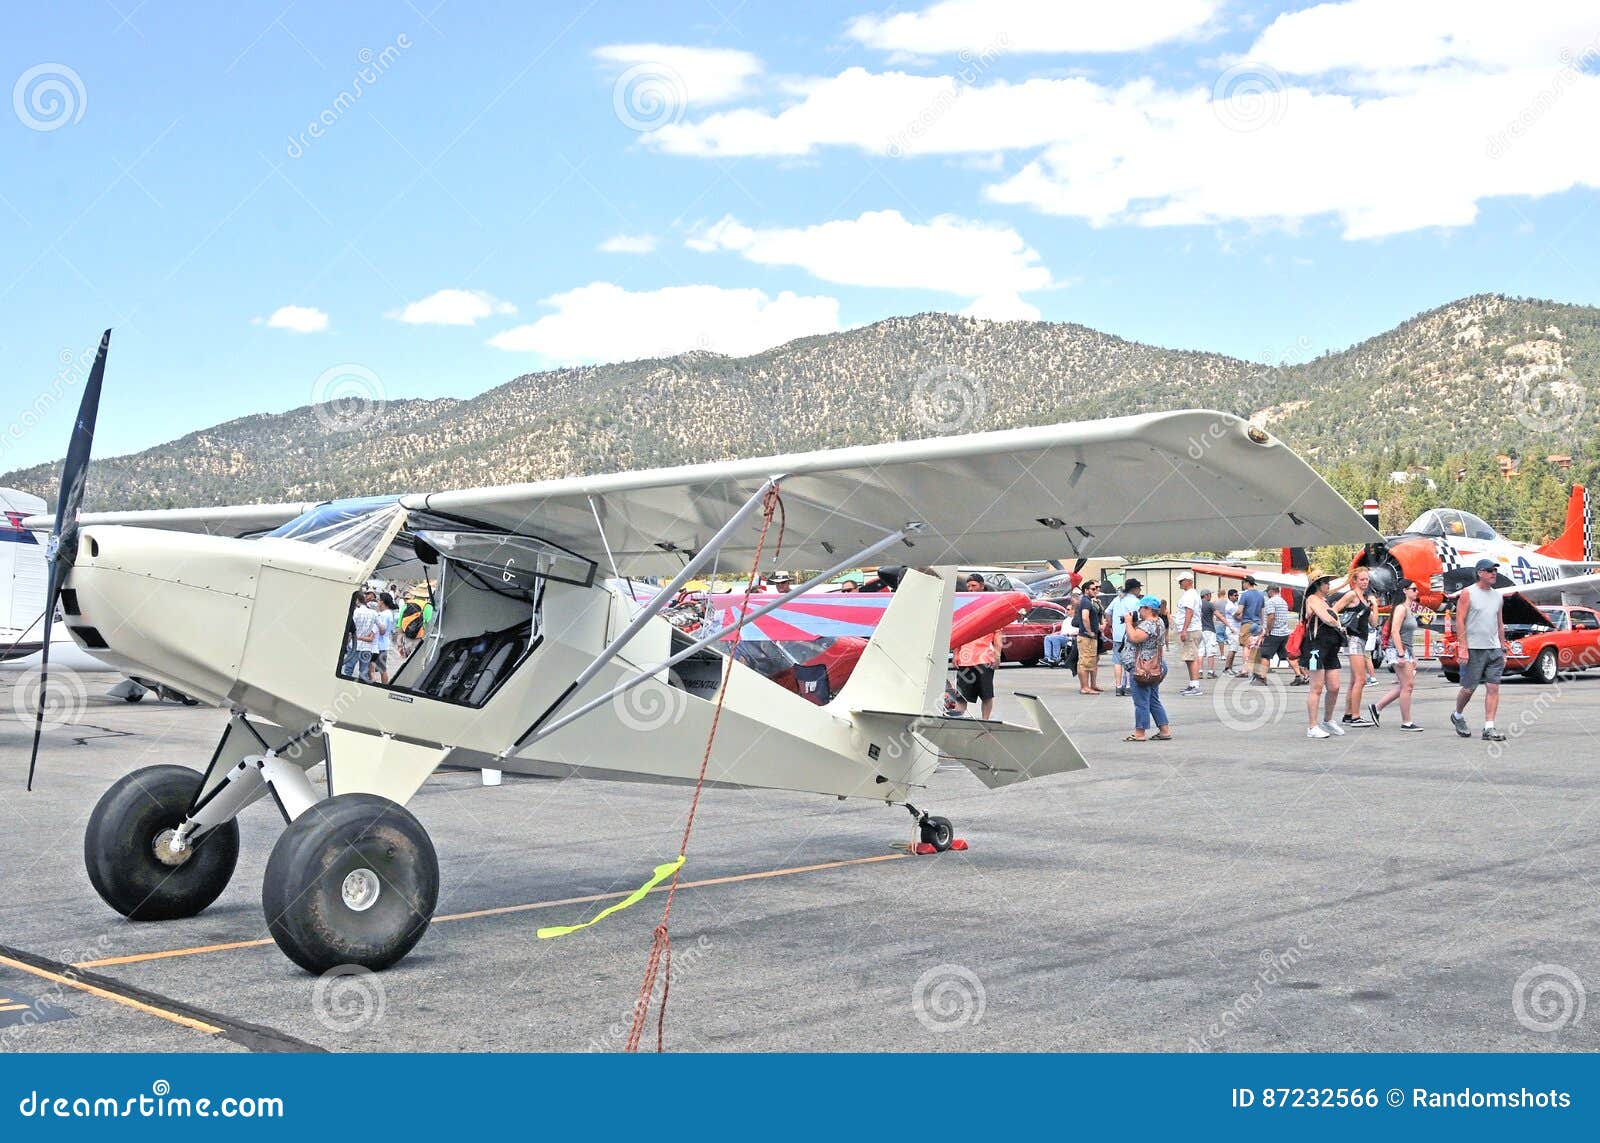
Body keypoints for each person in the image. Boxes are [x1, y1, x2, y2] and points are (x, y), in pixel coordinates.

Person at [1451, 559, 1507, 741]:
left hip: (1494, 649)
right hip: (1474, 648)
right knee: (1469, 689)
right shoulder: (1468, 593)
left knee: (1493, 687)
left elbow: (1499, 623)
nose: (1494, 573)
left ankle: (1489, 727)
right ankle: (1457, 715)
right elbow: (1459, 620)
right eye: (1490, 570)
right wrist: (1462, 647)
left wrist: (1503, 648)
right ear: (1480, 573)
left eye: (1495, 570)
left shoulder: (1498, 596)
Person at [1371, 578, 1423, 731]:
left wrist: (1412, 656)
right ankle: (1406, 722)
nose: (1417, 591)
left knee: (1404, 686)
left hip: (1405, 650)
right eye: (1414, 589)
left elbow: (1408, 636)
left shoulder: (1410, 609)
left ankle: (1377, 707)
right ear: (1404, 591)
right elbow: (1395, 631)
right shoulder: (1401, 608)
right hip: (1397, 650)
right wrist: (1401, 654)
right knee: (1408, 686)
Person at [1300, 575, 1346, 738]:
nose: (1329, 586)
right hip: (1315, 648)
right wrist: (1338, 623)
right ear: (1318, 585)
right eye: (1326, 583)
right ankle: (1312, 726)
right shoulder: (1312, 599)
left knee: (1334, 686)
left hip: (1330, 648)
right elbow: (1326, 618)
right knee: (1316, 687)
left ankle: (1327, 720)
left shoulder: (1326, 601)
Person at [1121, 595, 1171, 742]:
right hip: (1155, 666)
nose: (1139, 611)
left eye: (1141, 608)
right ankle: (1164, 730)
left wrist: (1129, 623)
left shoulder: (1148, 624)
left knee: (1141, 701)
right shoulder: (1159, 621)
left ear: (1148, 609)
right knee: (1153, 700)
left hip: (1143, 668)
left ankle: (1139, 733)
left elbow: (1135, 638)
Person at [953, 575, 1003, 719]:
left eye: (973, 586)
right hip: (965, 659)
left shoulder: (991, 606)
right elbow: (958, 631)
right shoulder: (965, 606)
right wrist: (956, 653)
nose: (970, 589)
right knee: (961, 695)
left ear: (982, 585)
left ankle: (985, 721)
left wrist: (997, 655)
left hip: (984, 658)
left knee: (986, 695)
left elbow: (998, 635)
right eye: (968, 586)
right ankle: (958, 719)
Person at [1333, 568, 1378, 727]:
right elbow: (1334, 610)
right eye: (1362, 579)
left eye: (1367, 579)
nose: (1365, 582)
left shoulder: (1366, 598)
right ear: (1355, 580)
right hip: (1354, 639)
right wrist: (1340, 627)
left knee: (1354, 680)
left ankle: (1348, 713)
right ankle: (1355, 716)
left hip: (1361, 640)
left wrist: (1374, 605)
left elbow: (1374, 623)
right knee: (1361, 679)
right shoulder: (1351, 595)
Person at [1107, 578, 1142, 696]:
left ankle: (1118, 687)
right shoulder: (1136, 602)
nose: (1140, 590)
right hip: (1129, 634)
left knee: (1117, 662)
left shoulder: (1117, 599)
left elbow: (1107, 612)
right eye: (1139, 588)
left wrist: (1111, 625)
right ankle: (1128, 686)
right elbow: (1138, 618)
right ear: (1134, 589)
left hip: (1117, 635)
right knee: (1129, 660)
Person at [1252, 584, 1294, 686]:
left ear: (1271, 591)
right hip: (1284, 633)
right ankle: (1299, 675)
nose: (1267, 594)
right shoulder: (1283, 602)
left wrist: (1267, 630)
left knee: (1265, 655)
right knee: (1287, 655)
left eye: (1268, 592)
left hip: (1273, 633)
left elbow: (1271, 617)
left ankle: (1262, 678)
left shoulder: (1271, 602)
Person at [1074, 580, 1105, 694]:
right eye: (1093, 588)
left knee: (1091, 660)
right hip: (1086, 636)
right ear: (1086, 590)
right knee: (1085, 661)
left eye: (1098, 588)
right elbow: (1085, 617)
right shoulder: (1086, 602)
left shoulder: (1091, 601)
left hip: (1092, 636)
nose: (1096, 590)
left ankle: (1092, 685)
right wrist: (1089, 631)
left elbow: (1098, 615)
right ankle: (1085, 687)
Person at [1175, 575, 1203, 696]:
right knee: (1189, 657)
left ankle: (1195, 685)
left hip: (1190, 630)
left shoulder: (1190, 595)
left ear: (1189, 581)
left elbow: (1189, 612)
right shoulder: (1191, 594)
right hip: (1191, 629)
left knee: (1192, 657)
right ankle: (1192, 684)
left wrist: (1184, 630)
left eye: (1181, 581)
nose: (1179, 583)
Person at [342, 591, 379, 679]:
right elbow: (380, 631)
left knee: (348, 670)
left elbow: (350, 630)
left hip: (355, 646)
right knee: (363, 672)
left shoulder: (356, 612)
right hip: (367, 648)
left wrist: (352, 639)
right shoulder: (374, 616)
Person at [1235, 576, 1265, 678]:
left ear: (1247, 583)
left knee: (1246, 646)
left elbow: (1239, 611)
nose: (1243, 585)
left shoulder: (1245, 595)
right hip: (1257, 623)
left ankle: (1245, 670)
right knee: (1255, 646)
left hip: (1247, 623)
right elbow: (1261, 611)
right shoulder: (1261, 595)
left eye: (1243, 583)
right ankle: (1255, 669)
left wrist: (1235, 615)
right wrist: (1261, 623)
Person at [371, 592, 397, 684]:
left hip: (379, 644)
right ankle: (384, 685)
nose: (377, 602)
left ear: (382, 602)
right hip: (384, 643)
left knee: (377, 668)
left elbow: (382, 630)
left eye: (378, 600)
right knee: (381, 668)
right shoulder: (389, 613)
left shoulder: (384, 615)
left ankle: (382, 685)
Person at [1198, 588, 1219, 680]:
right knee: (1211, 651)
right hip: (1209, 630)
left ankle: (1200, 671)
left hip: (1199, 630)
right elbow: (1218, 615)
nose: (1210, 596)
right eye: (1210, 594)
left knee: (1200, 652)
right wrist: (1228, 624)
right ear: (1206, 595)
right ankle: (1210, 672)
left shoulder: (1197, 604)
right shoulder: (1210, 605)